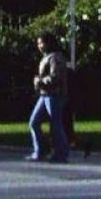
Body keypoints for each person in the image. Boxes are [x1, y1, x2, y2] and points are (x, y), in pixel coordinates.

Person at [26, 32, 70, 163]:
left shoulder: (56, 57)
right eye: (38, 43)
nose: (40, 46)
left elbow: (56, 76)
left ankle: (61, 154)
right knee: (34, 122)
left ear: (49, 43)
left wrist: (40, 81)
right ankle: (40, 151)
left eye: (42, 43)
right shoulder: (46, 57)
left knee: (56, 124)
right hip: (45, 95)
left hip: (55, 95)